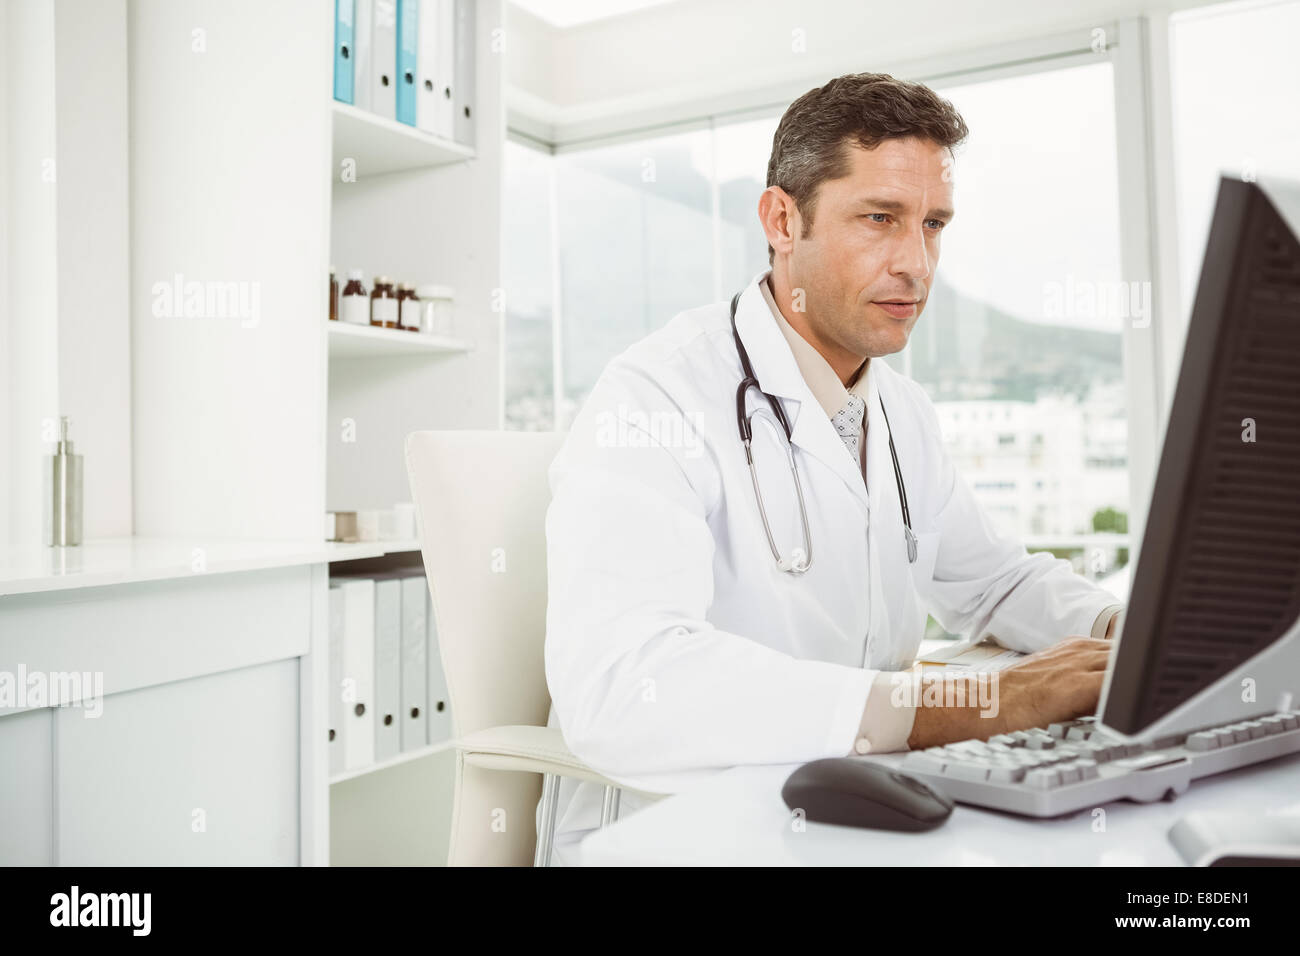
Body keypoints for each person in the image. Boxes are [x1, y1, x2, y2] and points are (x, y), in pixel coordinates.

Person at [541, 72, 1124, 865]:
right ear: (783, 219)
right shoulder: (656, 394)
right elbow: (621, 687)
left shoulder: (900, 412)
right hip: (677, 823)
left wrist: (1125, 631)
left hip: (860, 803)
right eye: (880, 219)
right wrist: (965, 703)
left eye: (934, 225)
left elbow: (991, 582)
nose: (917, 264)